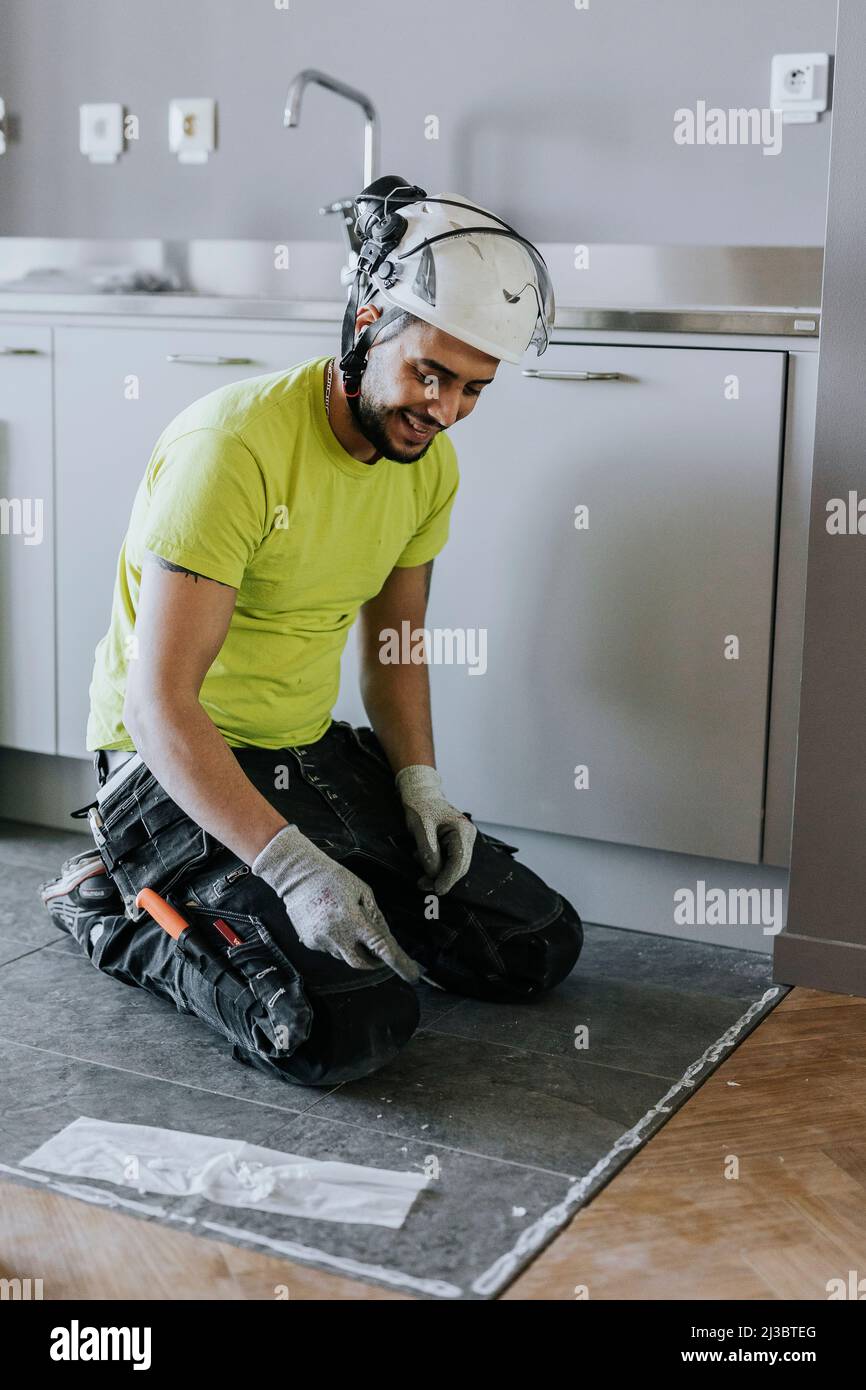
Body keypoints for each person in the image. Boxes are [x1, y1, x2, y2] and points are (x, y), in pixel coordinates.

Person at [40, 176, 584, 1087]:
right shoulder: (236, 449)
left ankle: (286, 885)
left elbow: (395, 647)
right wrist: (293, 870)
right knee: (343, 1027)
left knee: (534, 945)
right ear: (369, 323)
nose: (445, 410)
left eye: (473, 390)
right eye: (430, 373)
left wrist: (420, 789)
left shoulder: (426, 468)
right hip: (171, 762)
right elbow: (160, 702)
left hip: (304, 749)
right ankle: (113, 904)